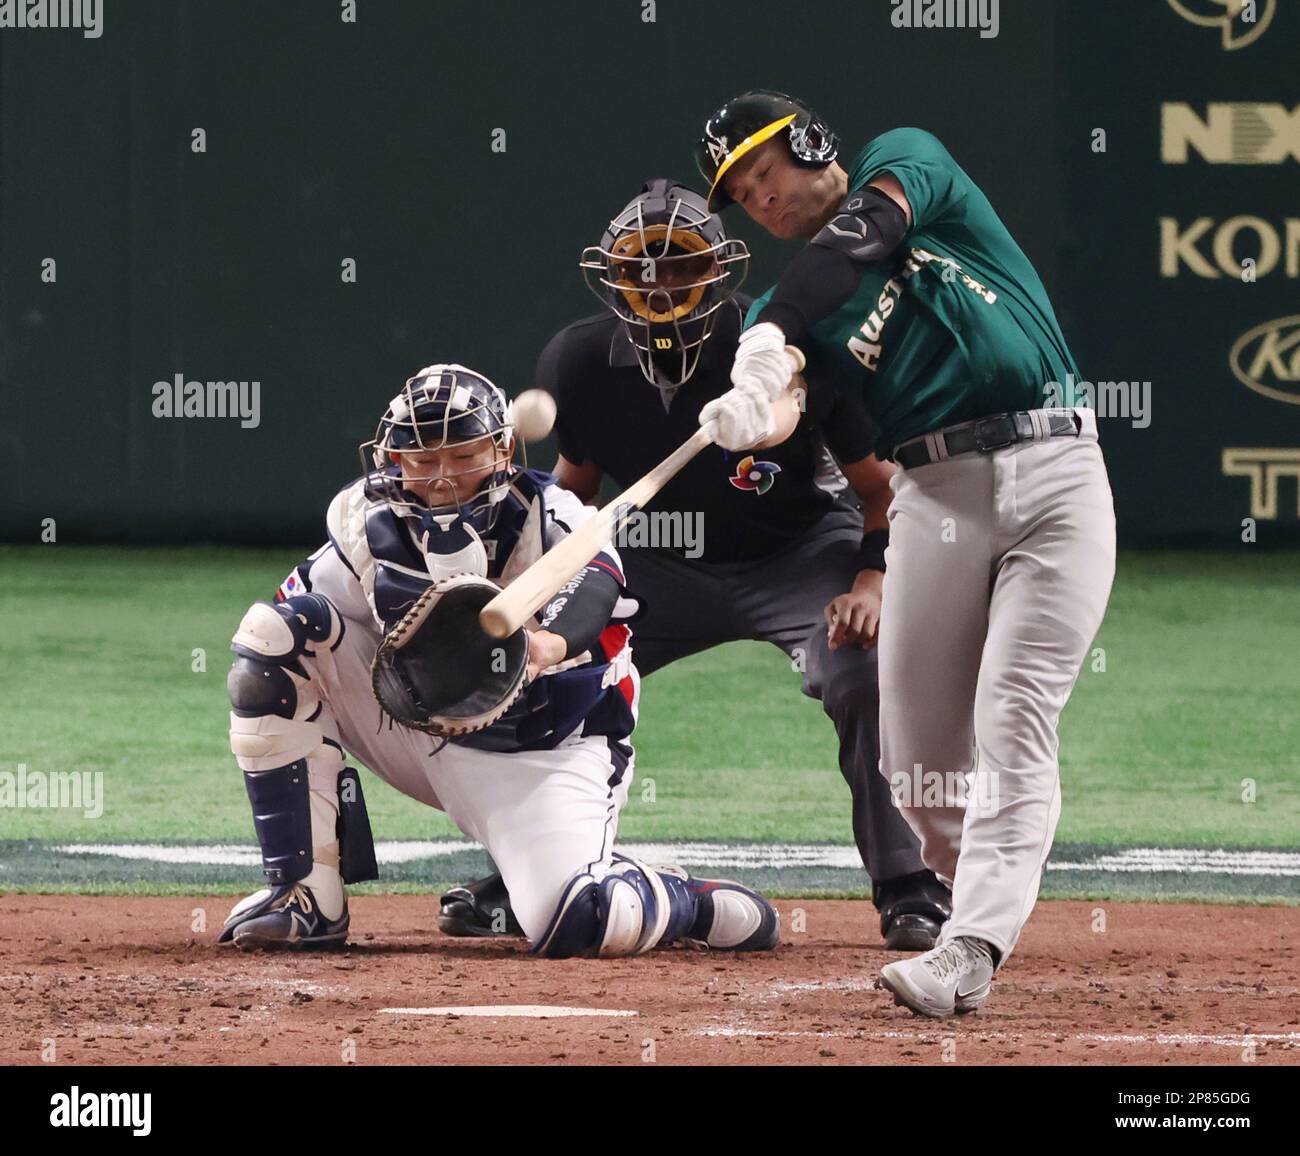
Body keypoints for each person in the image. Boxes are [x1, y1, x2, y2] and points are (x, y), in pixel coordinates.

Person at [438, 179, 951, 951]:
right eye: (643, 269)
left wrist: (871, 585)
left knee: (863, 670)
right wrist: (537, 595)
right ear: (611, 276)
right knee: (545, 663)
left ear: (720, 268)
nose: (661, 286)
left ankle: (909, 884)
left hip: (802, 552)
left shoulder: (779, 346)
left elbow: (884, 493)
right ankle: (535, 875)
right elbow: (576, 502)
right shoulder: (579, 361)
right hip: (657, 565)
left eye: (680, 267)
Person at [693, 91, 1116, 1016]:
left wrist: (770, 334)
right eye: (743, 192)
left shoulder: (907, 160)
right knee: (917, 763)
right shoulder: (784, 309)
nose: (761, 198)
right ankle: (987, 894)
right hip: (936, 497)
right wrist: (751, 412)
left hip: (1055, 471)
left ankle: (972, 945)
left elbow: (858, 241)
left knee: (1014, 710)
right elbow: (791, 404)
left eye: (767, 171)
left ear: (810, 143)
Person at [218, 363, 780, 957]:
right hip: (416, 728)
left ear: (503, 450)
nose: (440, 479)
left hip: (544, 751)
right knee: (273, 637)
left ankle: (686, 899)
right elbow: (293, 625)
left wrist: (542, 647)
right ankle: (305, 896)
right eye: (421, 458)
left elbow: (595, 588)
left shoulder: (554, 514)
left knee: (580, 921)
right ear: (391, 458)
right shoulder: (365, 525)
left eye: (462, 456)